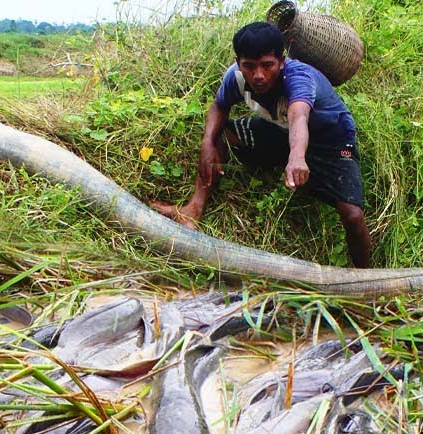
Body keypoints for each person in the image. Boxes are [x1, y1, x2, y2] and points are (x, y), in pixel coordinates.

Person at [151, 21, 374, 268]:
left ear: (281, 61)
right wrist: (207, 144)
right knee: (221, 136)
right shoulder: (235, 78)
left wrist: (297, 157)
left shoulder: (298, 78)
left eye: (267, 66)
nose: (258, 75)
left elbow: (298, 116)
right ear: (239, 63)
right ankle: (193, 208)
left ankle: (366, 277)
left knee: (352, 215)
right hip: (281, 131)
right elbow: (219, 106)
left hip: (333, 141)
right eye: (249, 66)